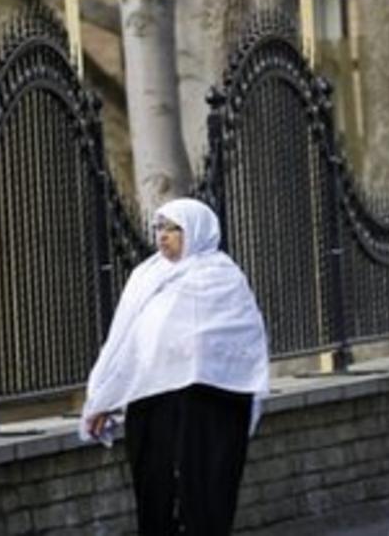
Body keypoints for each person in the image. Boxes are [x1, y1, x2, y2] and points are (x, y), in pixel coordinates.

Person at [81, 197, 269, 535]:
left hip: (210, 405)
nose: (162, 236)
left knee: (206, 494)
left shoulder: (223, 278)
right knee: (155, 491)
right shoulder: (146, 277)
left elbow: (245, 344)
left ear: (196, 231)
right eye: (159, 228)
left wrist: (202, 362)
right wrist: (103, 400)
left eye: (173, 228)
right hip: (154, 403)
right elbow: (125, 343)